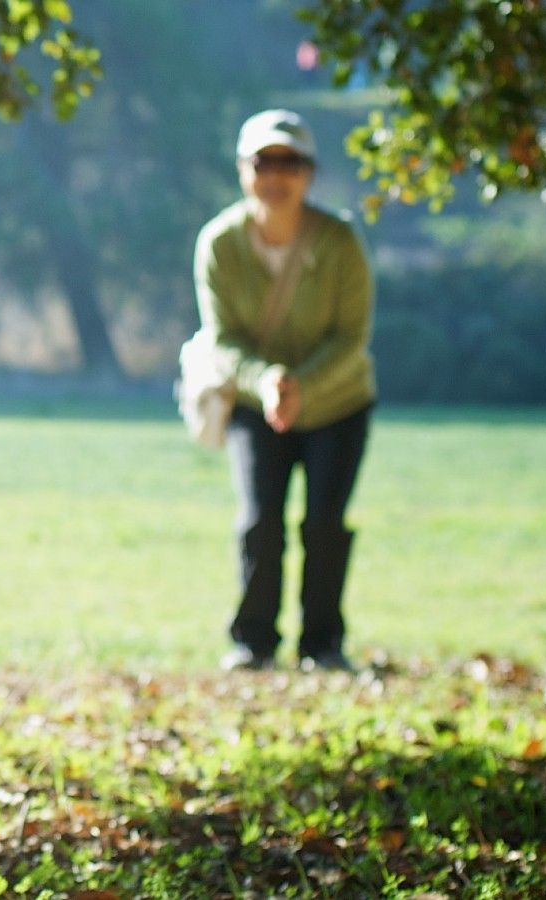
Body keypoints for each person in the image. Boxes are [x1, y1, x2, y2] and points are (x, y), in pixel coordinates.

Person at [192, 109, 376, 673]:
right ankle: (253, 643)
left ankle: (322, 645)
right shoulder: (220, 244)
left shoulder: (340, 242)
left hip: (338, 403)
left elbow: (353, 337)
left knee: (324, 523)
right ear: (244, 170)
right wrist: (267, 382)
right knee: (259, 520)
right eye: (264, 162)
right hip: (255, 404)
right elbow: (223, 339)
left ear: (309, 173)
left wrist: (301, 385)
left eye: (289, 162)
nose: (276, 175)